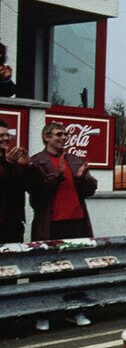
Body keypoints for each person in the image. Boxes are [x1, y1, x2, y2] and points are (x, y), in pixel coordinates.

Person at [29, 121, 98, 329]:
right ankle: (44, 313)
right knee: (47, 271)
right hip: (51, 225)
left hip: (76, 223)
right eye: (58, 134)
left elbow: (90, 189)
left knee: (76, 271)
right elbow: (37, 195)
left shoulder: (74, 159)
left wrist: (80, 179)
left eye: (65, 134)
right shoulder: (36, 161)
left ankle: (75, 310)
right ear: (46, 138)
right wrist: (57, 174)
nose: (62, 138)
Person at [0, 118, 31, 243]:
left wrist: (27, 167)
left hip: (14, 224)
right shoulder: (10, 161)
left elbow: (29, 187)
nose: (6, 138)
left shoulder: (14, 161)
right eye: (1, 135)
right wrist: (8, 164)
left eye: (8, 135)